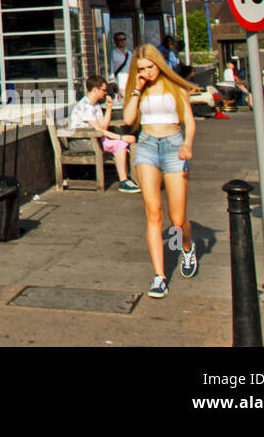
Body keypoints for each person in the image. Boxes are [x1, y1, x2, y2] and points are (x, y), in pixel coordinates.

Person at [122, 44, 201, 299]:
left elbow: (188, 120)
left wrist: (188, 144)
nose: (146, 73)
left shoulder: (175, 86)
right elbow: (127, 119)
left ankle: (187, 246)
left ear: (159, 65)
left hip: (174, 147)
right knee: (153, 213)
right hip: (146, 147)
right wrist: (137, 88)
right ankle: (159, 276)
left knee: (177, 220)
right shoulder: (138, 88)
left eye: (149, 68)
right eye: (141, 69)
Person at [69, 75, 139, 191]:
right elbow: (99, 130)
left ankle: (125, 179)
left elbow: (103, 126)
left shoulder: (95, 105)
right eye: (103, 90)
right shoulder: (85, 106)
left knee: (120, 145)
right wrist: (121, 137)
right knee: (120, 144)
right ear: (95, 90)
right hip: (83, 140)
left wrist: (109, 108)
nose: (105, 93)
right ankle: (124, 181)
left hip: (94, 138)